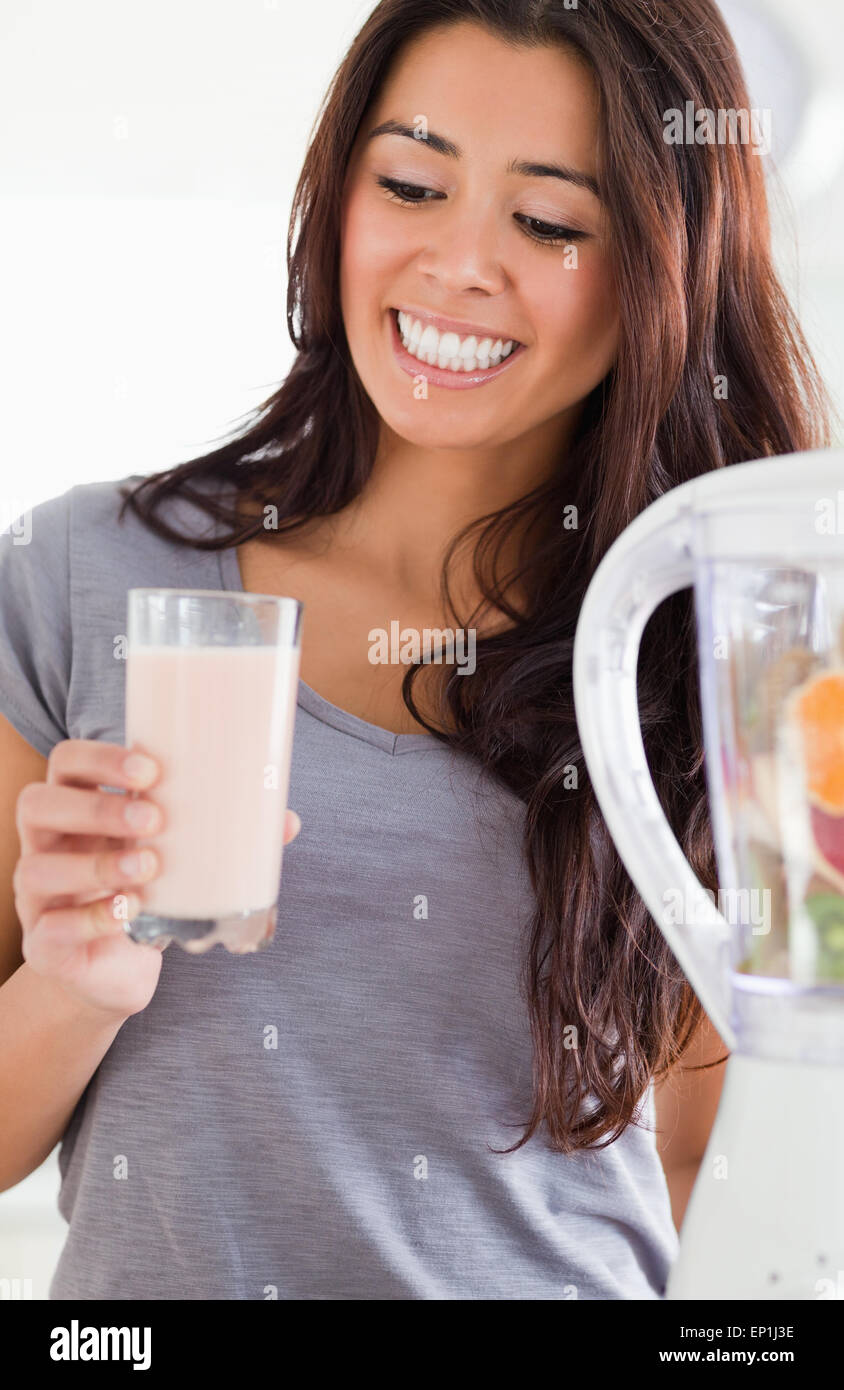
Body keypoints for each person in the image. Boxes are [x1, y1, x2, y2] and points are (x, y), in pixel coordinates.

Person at [0, 0, 831, 1300]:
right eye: (410, 183)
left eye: (549, 221)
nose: (457, 263)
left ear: (665, 266)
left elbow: (713, 1175)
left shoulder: (720, 652)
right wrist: (72, 987)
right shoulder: (81, 576)